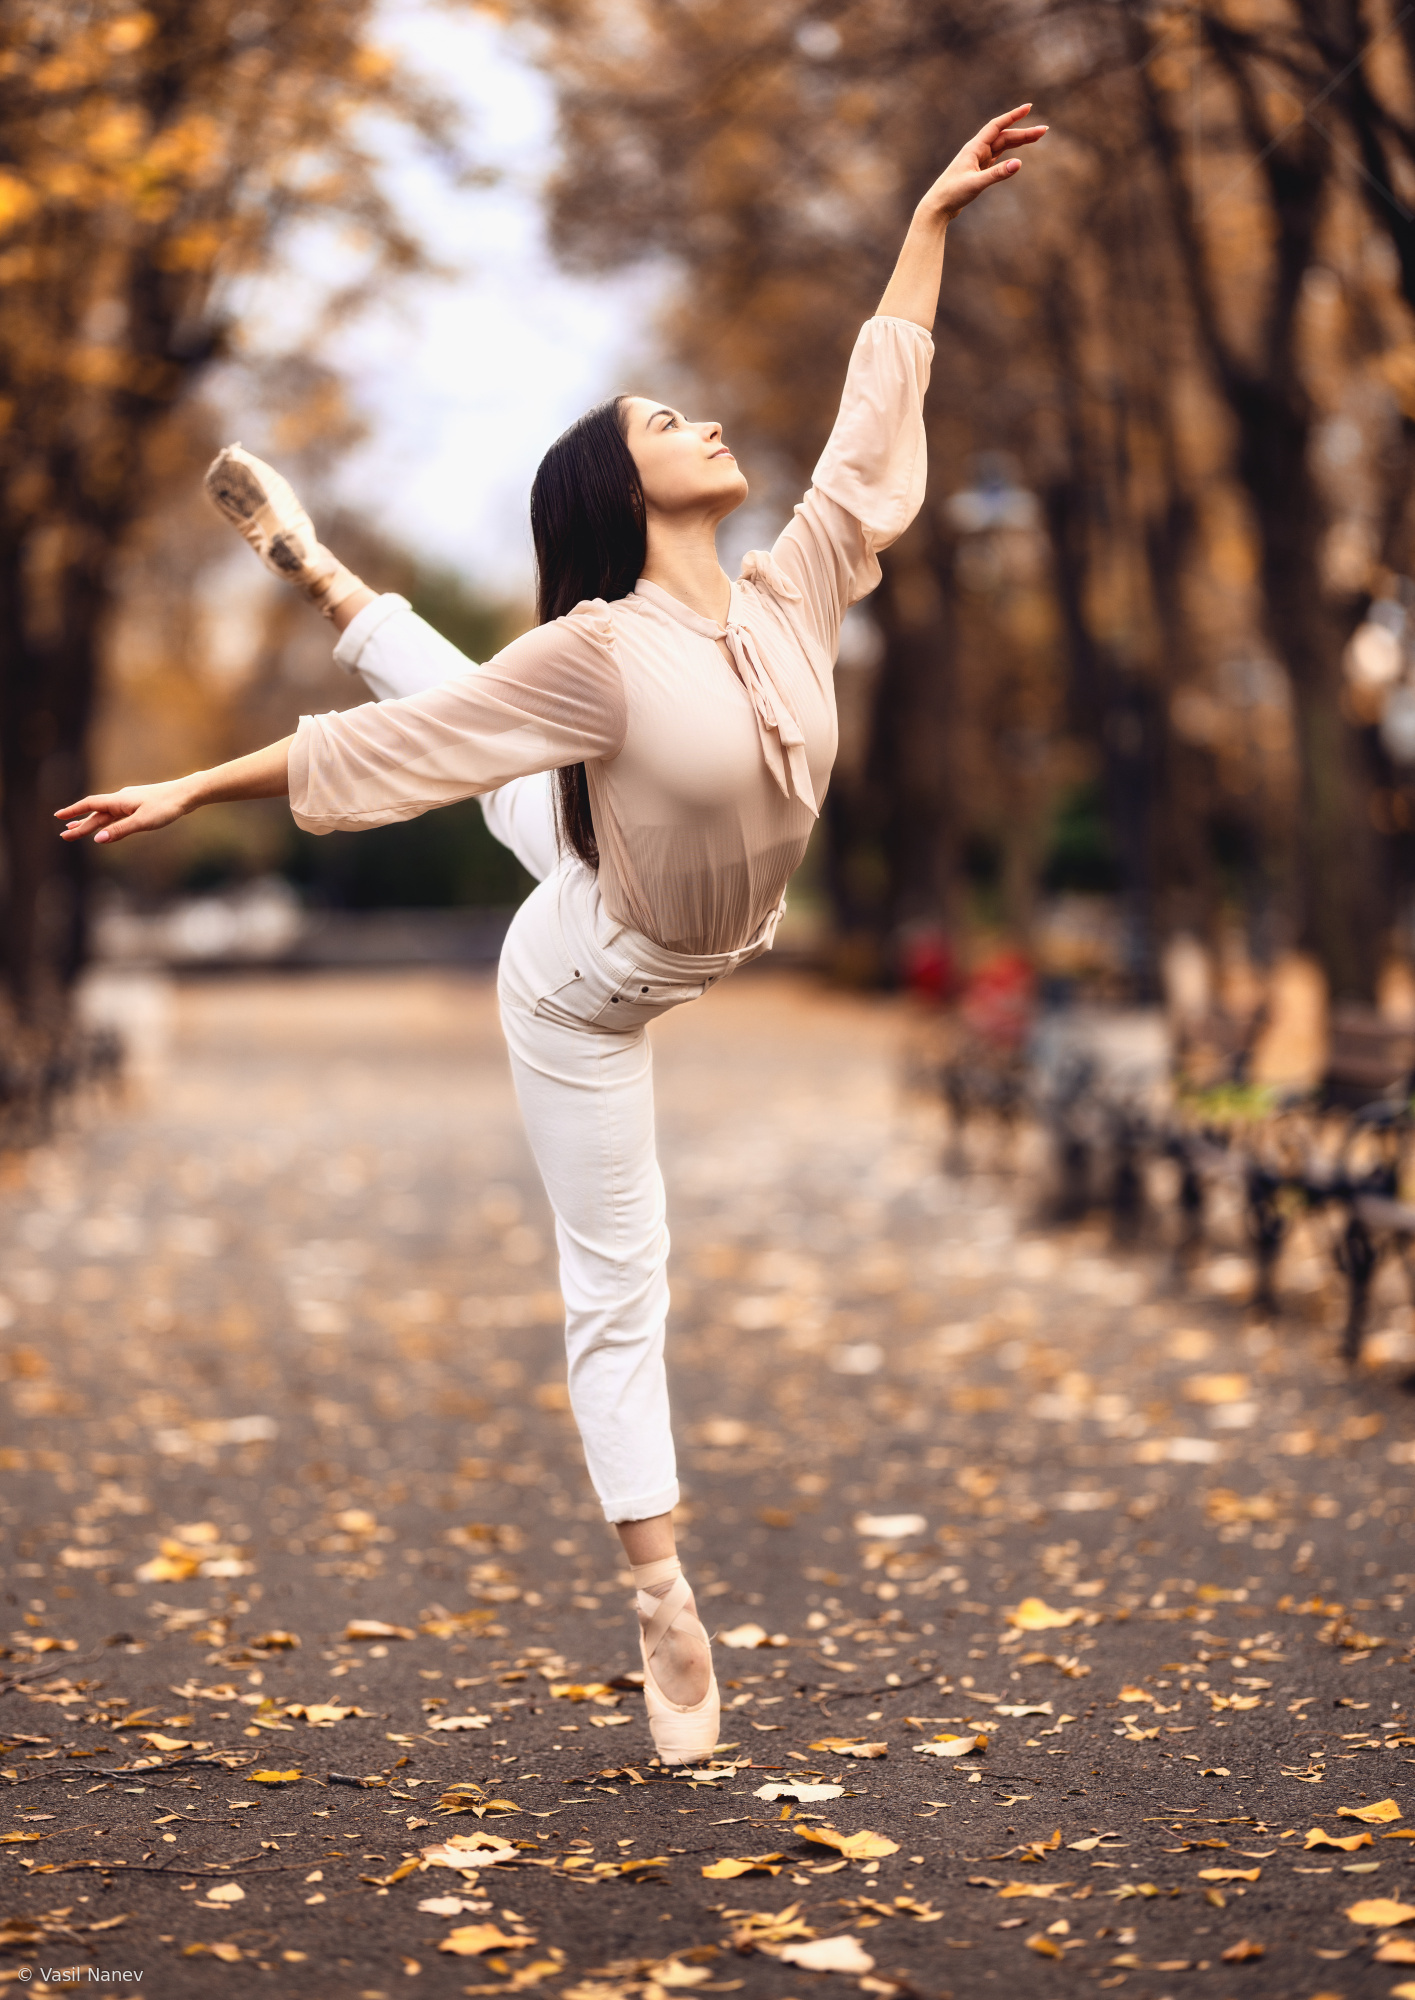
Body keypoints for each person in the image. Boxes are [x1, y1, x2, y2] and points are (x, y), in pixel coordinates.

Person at [58, 104, 1047, 1764]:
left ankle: (326, 580)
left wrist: (932, 219)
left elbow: (879, 422)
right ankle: (662, 1599)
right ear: (617, 483)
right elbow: (391, 761)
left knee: (518, 777)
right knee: (620, 1270)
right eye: (668, 418)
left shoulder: (800, 584)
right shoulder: (594, 648)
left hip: (638, 871)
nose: (712, 418)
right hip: (588, 978)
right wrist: (188, 785)